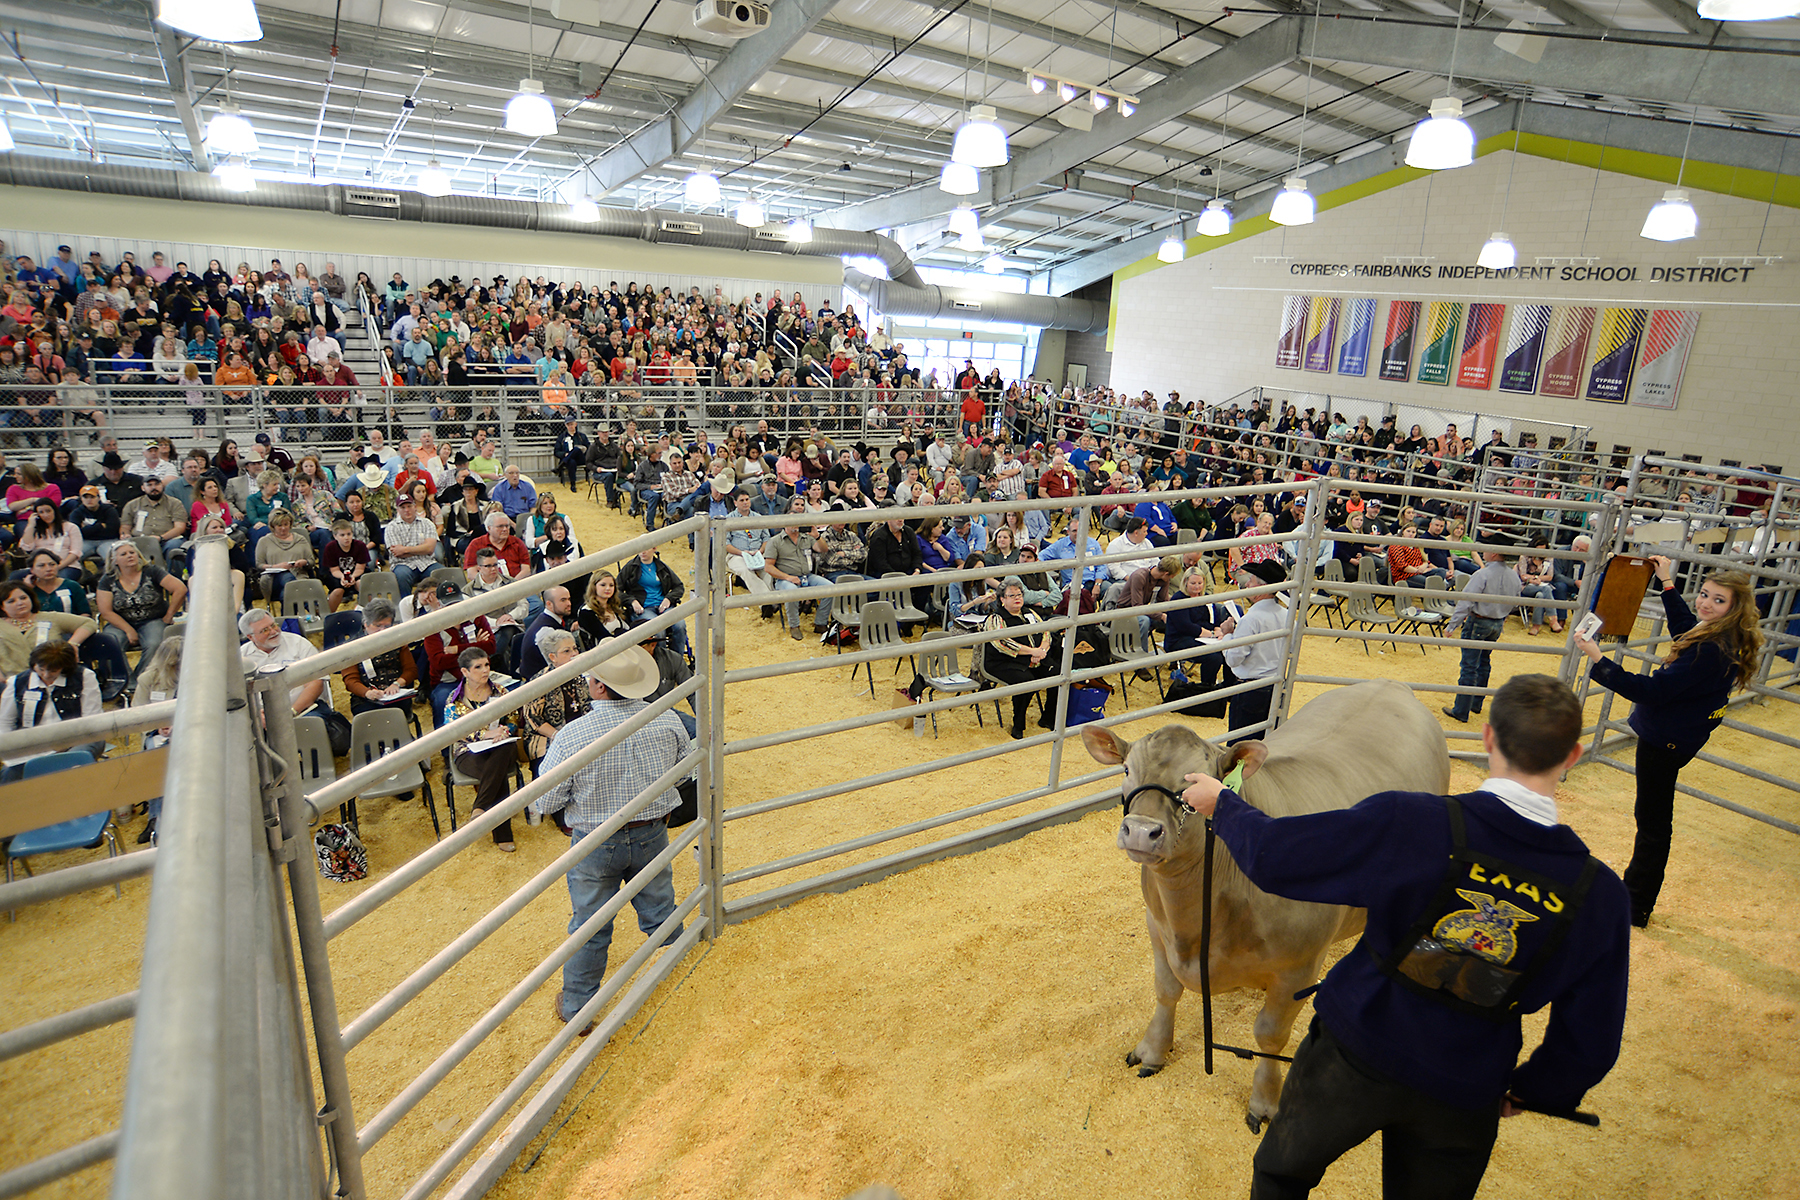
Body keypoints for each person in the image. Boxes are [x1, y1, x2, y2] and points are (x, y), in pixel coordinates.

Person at [1176, 674, 1630, 1200]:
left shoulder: (1412, 821)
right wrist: (1536, 1089)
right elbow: (1592, 1040)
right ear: (1572, 755)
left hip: (1357, 1048)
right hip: (1466, 1081)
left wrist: (1224, 804)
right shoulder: (1599, 896)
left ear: (1487, 739)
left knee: (1282, 1174)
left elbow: (1282, 858)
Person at [1575, 558, 1763, 927]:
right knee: (1651, 818)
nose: (1707, 604)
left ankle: (1635, 904)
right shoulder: (1718, 636)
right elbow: (1684, 629)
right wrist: (1667, 583)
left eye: (1718, 600)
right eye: (1705, 595)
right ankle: (1635, 897)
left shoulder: (1711, 649)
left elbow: (1652, 690)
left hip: (1667, 741)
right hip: (1676, 737)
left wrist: (1598, 658)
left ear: (1734, 607)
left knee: (1653, 823)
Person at [533, 642, 689, 1032]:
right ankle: (685, 984)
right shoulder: (667, 719)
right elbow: (683, 773)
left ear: (599, 687)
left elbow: (547, 799)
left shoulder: (572, 735)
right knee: (661, 914)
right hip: (652, 832)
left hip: (595, 840)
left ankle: (578, 1008)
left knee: (590, 925)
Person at [441, 646, 523, 853]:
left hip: (501, 746)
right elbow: (453, 731)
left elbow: (513, 716)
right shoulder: (455, 698)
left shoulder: (500, 690)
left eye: (486, 665)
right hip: (468, 751)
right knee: (497, 772)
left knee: (502, 754)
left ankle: (479, 808)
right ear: (465, 672)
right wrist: (482, 735)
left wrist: (506, 729)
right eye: (478, 667)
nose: (485, 670)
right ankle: (502, 834)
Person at [1441, 543, 1523, 724]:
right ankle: (1476, 703)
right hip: (1497, 623)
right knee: (1484, 662)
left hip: (1478, 621)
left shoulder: (1482, 574)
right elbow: (1516, 601)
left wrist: (1452, 625)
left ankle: (1461, 710)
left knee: (1470, 666)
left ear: (1494, 553)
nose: (1482, 553)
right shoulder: (1513, 576)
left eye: (1485, 549)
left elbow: (1467, 601)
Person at [0, 639, 104, 779]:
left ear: (65, 667)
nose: (46, 675)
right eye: (40, 669)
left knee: (71, 765)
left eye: (53, 671)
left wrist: (63, 746)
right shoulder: (17, 682)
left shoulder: (85, 677)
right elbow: (5, 724)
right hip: (31, 745)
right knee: (11, 776)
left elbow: (92, 722)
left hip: (76, 740)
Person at [1221, 559, 1286, 745]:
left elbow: (1234, 659)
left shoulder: (1251, 619)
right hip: (1274, 686)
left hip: (1250, 690)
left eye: (1252, 581)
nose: (1247, 584)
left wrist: (1227, 636)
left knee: (1240, 747)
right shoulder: (1286, 616)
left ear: (1262, 588)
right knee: (1266, 743)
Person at [981, 577, 1054, 740]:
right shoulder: (995, 618)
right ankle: (1018, 724)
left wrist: (1041, 650)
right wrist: (1032, 652)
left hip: (1033, 657)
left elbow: (1046, 631)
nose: (1017, 598)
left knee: (1056, 673)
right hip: (1003, 662)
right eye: (1012, 596)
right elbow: (1002, 643)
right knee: (1025, 681)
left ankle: (1049, 718)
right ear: (1002, 599)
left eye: (1019, 594)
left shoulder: (1030, 613)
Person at [239, 609, 333, 721]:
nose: (273, 632)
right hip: (261, 717)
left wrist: (292, 712)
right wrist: (258, 716)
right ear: (250, 637)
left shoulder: (298, 644)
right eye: (265, 630)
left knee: (310, 726)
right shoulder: (242, 657)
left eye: (273, 625)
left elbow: (316, 683)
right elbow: (239, 695)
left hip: (304, 710)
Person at [522, 627, 590, 767]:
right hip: (547, 737)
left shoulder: (583, 675)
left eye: (575, 649)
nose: (574, 654)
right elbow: (534, 719)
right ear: (553, 657)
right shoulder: (540, 681)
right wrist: (560, 737)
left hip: (580, 734)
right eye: (567, 651)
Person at [340, 598, 419, 716]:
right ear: (366, 624)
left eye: (387, 626)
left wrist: (397, 684)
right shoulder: (351, 647)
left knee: (397, 713)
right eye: (377, 626)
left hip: (395, 695)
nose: (382, 630)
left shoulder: (398, 641)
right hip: (365, 698)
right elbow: (350, 680)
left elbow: (411, 670)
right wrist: (367, 692)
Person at [617, 546, 689, 657]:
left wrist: (668, 599)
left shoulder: (661, 566)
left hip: (663, 606)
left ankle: (677, 661)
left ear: (654, 549)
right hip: (643, 609)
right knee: (657, 630)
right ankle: (661, 662)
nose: (643, 551)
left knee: (680, 625)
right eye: (641, 547)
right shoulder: (631, 567)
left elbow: (678, 586)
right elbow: (617, 590)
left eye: (647, 548)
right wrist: (632, 601)